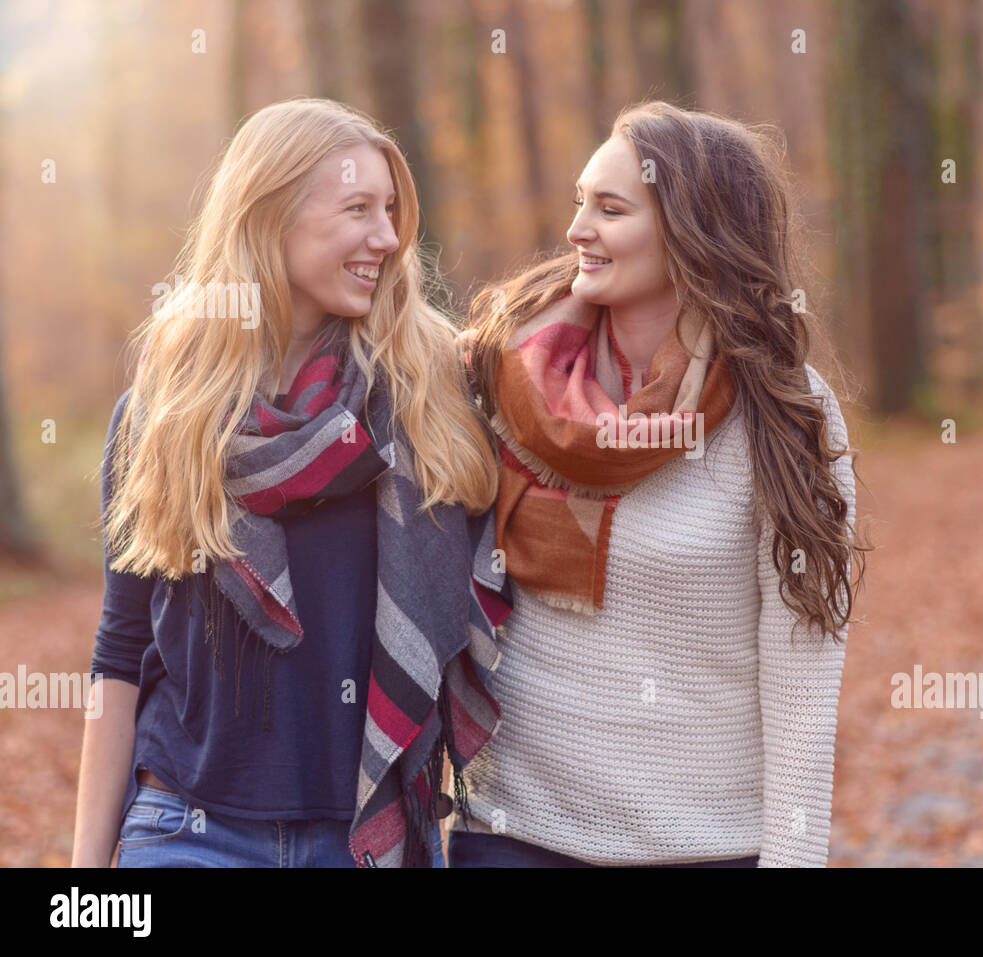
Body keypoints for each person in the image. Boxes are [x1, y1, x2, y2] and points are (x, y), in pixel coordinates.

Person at [70, 98, 508, 869]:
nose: (388, 236)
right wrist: (85, 880)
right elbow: (121, 652)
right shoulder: (165, 419)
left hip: (367, 838)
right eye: (358, 209)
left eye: (392, 210)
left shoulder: (426, 399)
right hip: (184, 832)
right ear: (271, 216)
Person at [451, 100, 868, 868]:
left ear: (692, 230)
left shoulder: (782, 410)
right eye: (581, 202)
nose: (578, 228)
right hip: (510, 831)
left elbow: (803, 681)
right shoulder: (507, 378)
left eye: (609, 209)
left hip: (707, 844)